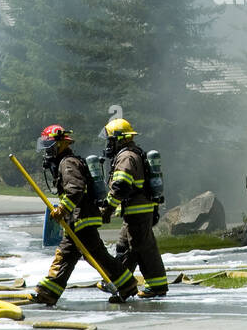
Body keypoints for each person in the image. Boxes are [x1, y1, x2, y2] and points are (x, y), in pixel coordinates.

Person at [32, 124, 137, 306]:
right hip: (79, 218)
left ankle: (126, 284)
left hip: (82, 218)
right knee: (74, 255)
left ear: (59, 144)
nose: (47, 152)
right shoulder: (66, 162)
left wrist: (63, 209)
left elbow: (76, 189)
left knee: (85, 255)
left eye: (49, 147)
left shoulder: (67, 163)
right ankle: (48, 293)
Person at [103, 118, 168, 299]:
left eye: (110, 139)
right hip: (137, 210)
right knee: (125, 246)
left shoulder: (126, 157)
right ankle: (120, 281)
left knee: (143, 249)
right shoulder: (132, 153)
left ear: (121, 139)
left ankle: (154, 287)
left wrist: (108, 208)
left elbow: (121, 186)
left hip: (136, 211)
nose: (108, 144)